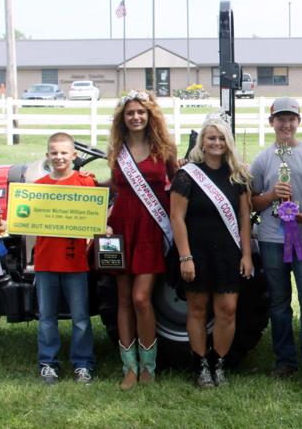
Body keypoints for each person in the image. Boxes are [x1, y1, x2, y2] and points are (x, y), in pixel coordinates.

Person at [250, 97, 302, 391]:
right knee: (279, 302)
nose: (286, 124)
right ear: (271, 122)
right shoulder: (262, 160)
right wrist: (271, 196)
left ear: (299, 121)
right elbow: (251, 201)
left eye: (291, 119)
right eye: (280, 119)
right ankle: (285, 361)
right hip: (271, 239)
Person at [170, 116, 253, 388]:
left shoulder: (237, 176)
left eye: (221, 138)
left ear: (228, 143)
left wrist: (246, 255)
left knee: (227, 310)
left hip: (228, 253)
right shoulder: (187, 175)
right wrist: (185, 257)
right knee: (197, 309)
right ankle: (200, 365)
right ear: (202, 142)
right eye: (211, 138)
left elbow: (244, 218)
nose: (216, 143)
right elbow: (177, 218)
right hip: (197, 253)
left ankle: (219, 363)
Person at [106, 90, 177, 390]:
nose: (136, 117)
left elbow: (178, 182)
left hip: (151, 228)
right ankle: (129, 368)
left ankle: (148, 366)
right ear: (122, 118)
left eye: (141, 112)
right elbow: (114, 185)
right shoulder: (116, 149)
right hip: (121, 228)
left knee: (140, 298)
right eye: (130, 113)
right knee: (123, 299)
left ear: (150, 115)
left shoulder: (165, 149)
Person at [33, 132, 98, 385]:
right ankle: (47, 363)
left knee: (80, 318)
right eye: (54, 153)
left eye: (64, 153)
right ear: (47, 155)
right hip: (46, 261)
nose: (59, 157)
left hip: (75, 262)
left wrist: (102, 227)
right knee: (46, 318)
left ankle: (83, 364)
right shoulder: (38, 187)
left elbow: (95, 218)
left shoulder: (85, 183)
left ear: (74, 155)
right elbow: (24, 219)